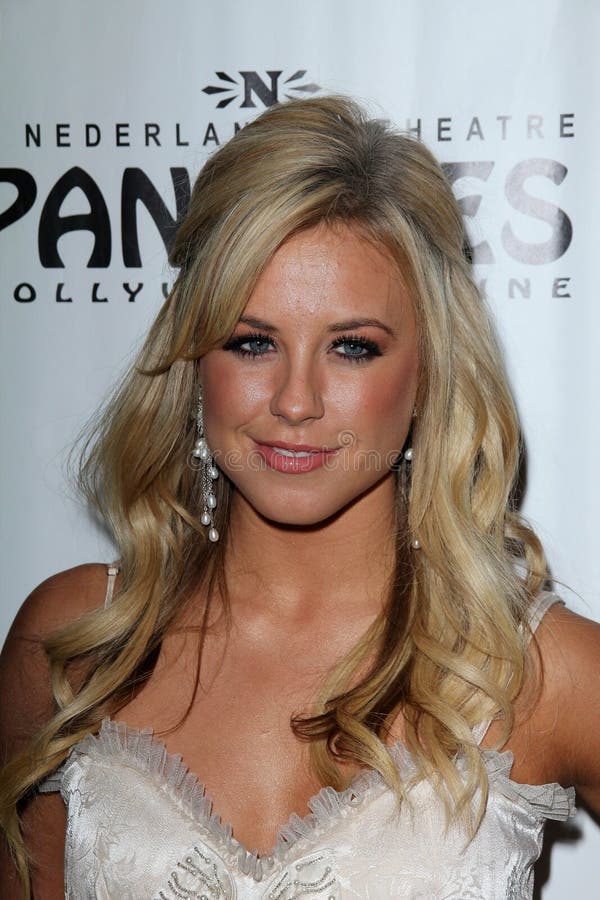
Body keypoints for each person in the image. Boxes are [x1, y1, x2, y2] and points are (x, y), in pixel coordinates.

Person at [1, 95, 599, 900]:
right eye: (253, 342)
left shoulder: (539, 672)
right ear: (195, 360)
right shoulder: (78, 645)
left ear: (429, 369)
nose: (294, 401)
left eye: (352, 348)